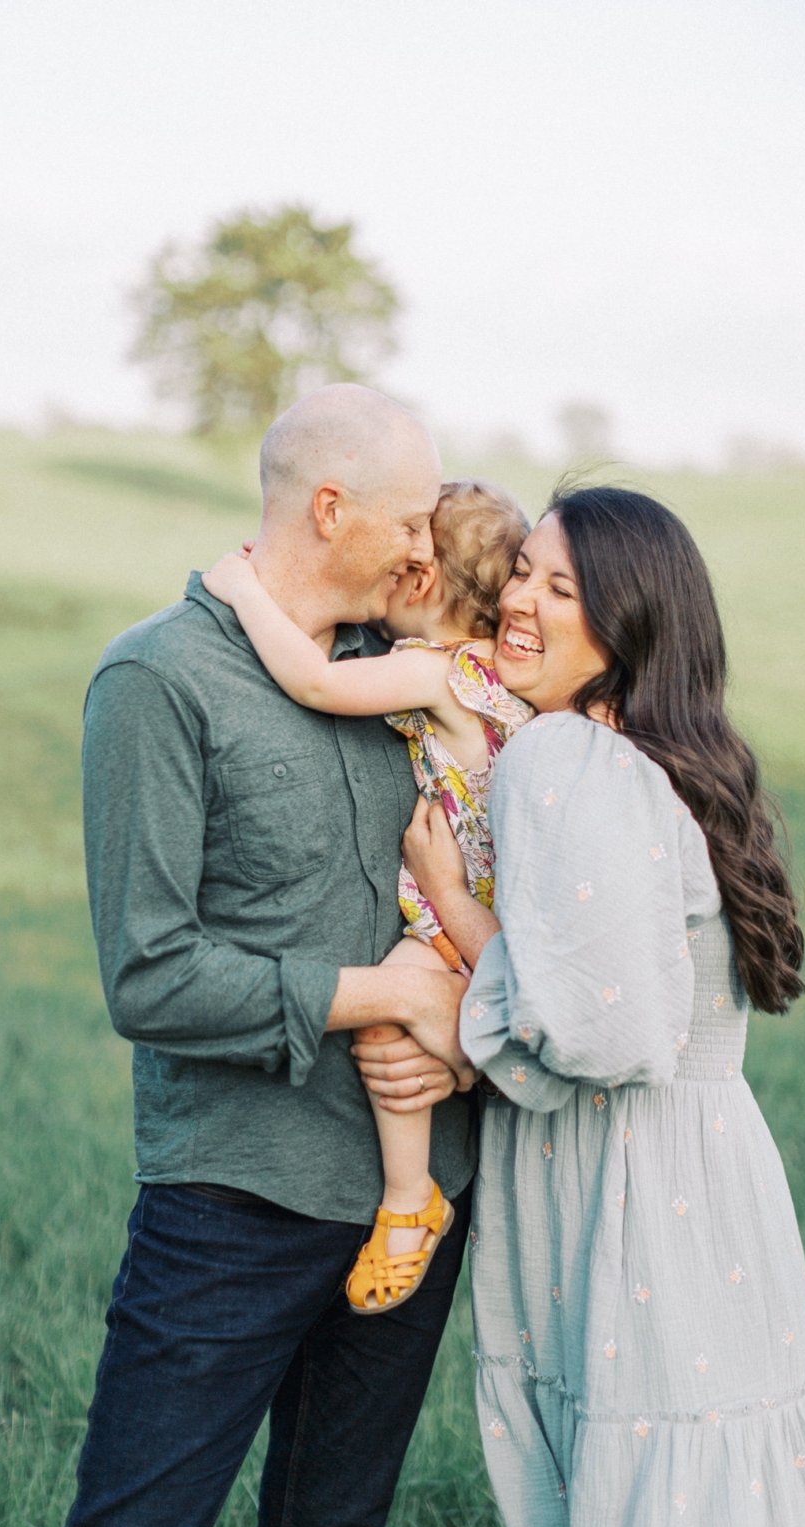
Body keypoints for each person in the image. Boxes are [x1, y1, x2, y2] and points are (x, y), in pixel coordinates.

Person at [362, 487, 805, 1527]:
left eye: (561, 586)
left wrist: (451, 945)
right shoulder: (669, 760)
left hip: (621, 1184)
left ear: (631, 617)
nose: (517, 603)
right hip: (709, 1175)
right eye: (519, 574)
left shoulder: (564, 755)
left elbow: (601, 1024)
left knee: (647, 1480)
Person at [63, 384, 477, 1527]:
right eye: (409, 523)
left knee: (333, 1523)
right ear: (332, 509)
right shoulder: (156, 680)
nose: (423, 550)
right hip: (235, 1199)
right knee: (139, 1521)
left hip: (415, 1203)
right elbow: (148, 975)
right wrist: (387, 995)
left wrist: (461, 1045)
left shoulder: (410, 677)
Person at [202, 481, 533, 1315]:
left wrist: (243, 588)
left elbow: (315, 683)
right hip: (514, 911)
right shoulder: (507, 676)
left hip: (460, 905)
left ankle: (406, 1198)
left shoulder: (432, 673)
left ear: (421, 582)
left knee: (387, 1008)